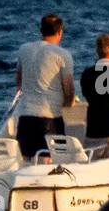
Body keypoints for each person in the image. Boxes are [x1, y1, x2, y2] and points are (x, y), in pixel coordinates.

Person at [15, 13, 75, 159]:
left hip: (25, 117)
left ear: (41, 30)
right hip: (49, 120)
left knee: (25, 160)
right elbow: (68, 89)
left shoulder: (24, 50)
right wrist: (68, 103)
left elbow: (19, 83)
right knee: (50, 161)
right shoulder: (62, 55)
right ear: (60, 32)